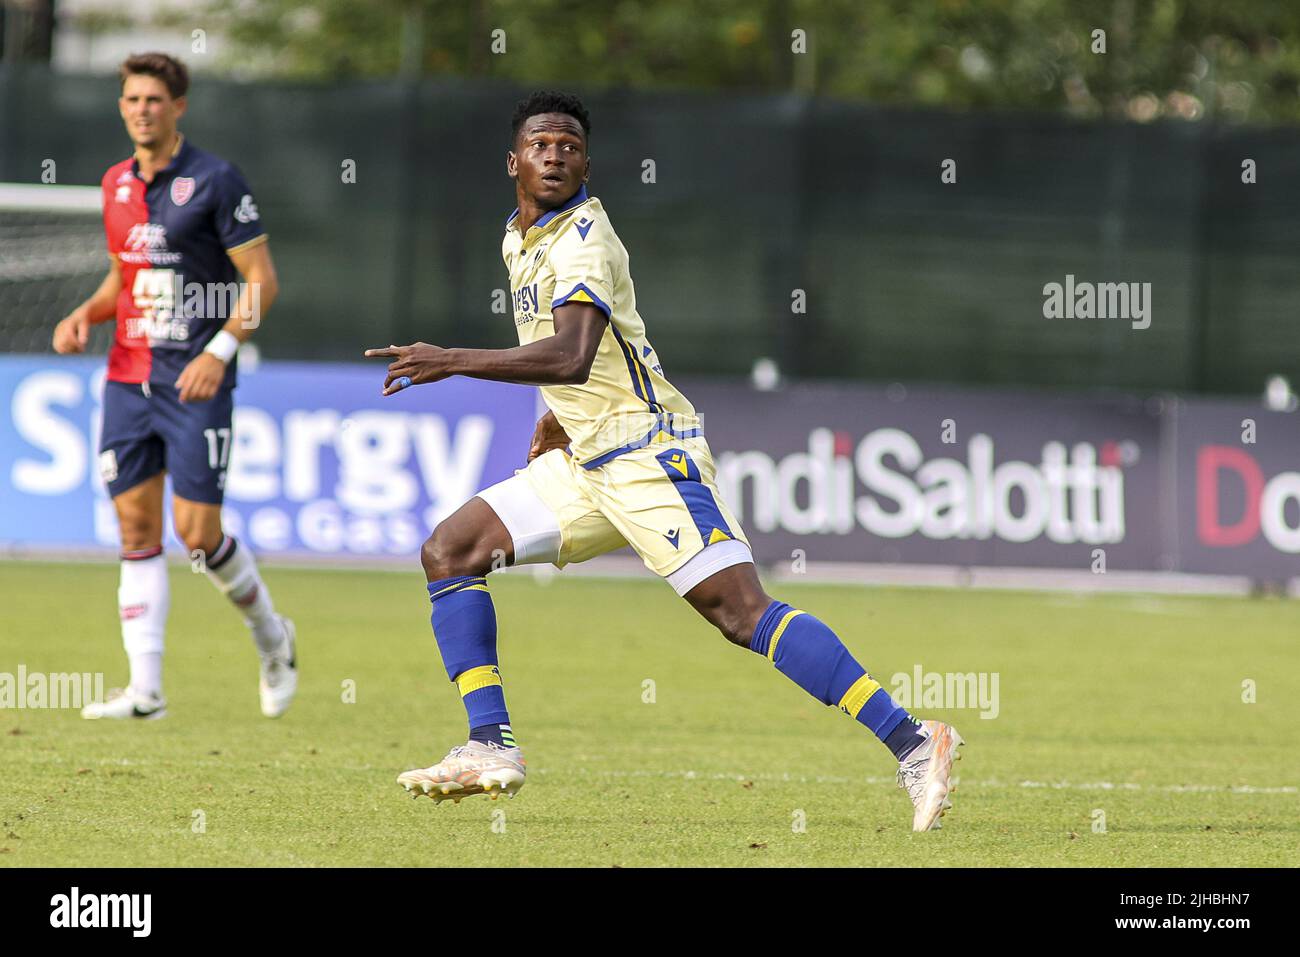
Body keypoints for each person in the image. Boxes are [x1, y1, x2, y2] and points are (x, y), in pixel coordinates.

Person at [366, 91, 961, 830]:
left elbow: (573, 353)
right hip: (588, 458)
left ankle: (913, 739)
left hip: (647, 452)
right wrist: (553, 416)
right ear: (513, 160)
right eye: (542, 144)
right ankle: (490, 743)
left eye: (570, 147)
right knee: (451, 550)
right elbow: (577, 354)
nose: (556, 155)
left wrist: (450, 358)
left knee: (742, 614)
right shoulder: (518, 237)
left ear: (587, 162)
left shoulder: (585, 236)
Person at [52, 52, 296, 720]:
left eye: (154, 100)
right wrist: (84, 313)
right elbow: (122, 280)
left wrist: (219, 351)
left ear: (178, 106)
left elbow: (262, 281)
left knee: (198, 535)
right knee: (135, 526)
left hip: (194, 380)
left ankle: (273, 638)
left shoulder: (216, 180)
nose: (141, 110)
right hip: (129, 376)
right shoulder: (114, 185)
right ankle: (146, 691)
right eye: (131, 99)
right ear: (122, 107)